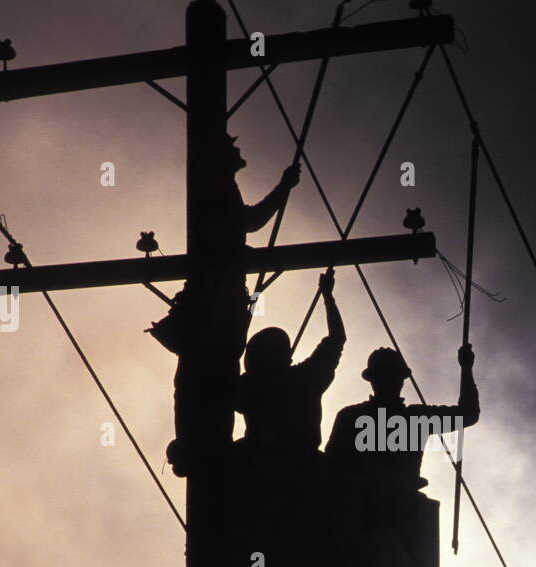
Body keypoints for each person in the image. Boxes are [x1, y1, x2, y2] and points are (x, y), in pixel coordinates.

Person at [147, 133, 302, 477]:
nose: (238, 149)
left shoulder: (218, 187)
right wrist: (284, 187)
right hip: (218, 304)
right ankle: (203, 447)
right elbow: (245, 224)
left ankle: (201, 446)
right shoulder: (217, 188)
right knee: (213, 376)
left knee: (207, 376)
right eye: (231, 147)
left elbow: (240, 227)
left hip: (219, 304)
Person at [325, 343, 478, 510]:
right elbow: (468, 414)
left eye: (390, 376)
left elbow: (330, 465)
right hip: (384, 511)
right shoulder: (415, 418)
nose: (388, 381)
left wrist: (466, 368)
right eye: (386, 376)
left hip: (367, 512)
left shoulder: (351, 416)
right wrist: (466, 367)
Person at [235, 268, 345, 454]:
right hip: (303, 465)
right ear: (286, 356)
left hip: (258, 466)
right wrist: (327, 295)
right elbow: (337, 338)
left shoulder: (247, 386)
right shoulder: (304, 379)